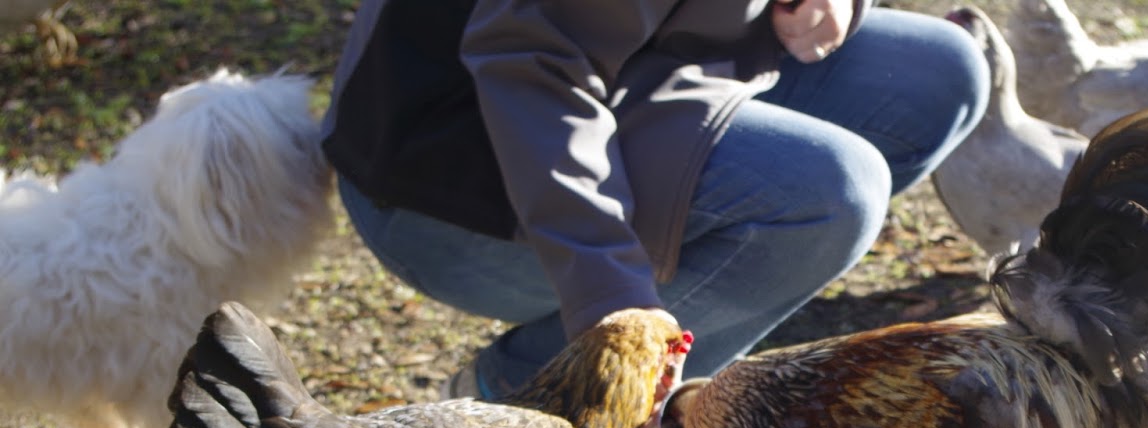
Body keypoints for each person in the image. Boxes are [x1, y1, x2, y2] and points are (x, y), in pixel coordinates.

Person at [321, 0, 989, 397]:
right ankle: (527, 390)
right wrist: (611, 300)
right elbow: (531, 66)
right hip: (452, 172)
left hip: (650, 67)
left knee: (937, 73)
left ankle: (703, 344)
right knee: (827, 196)